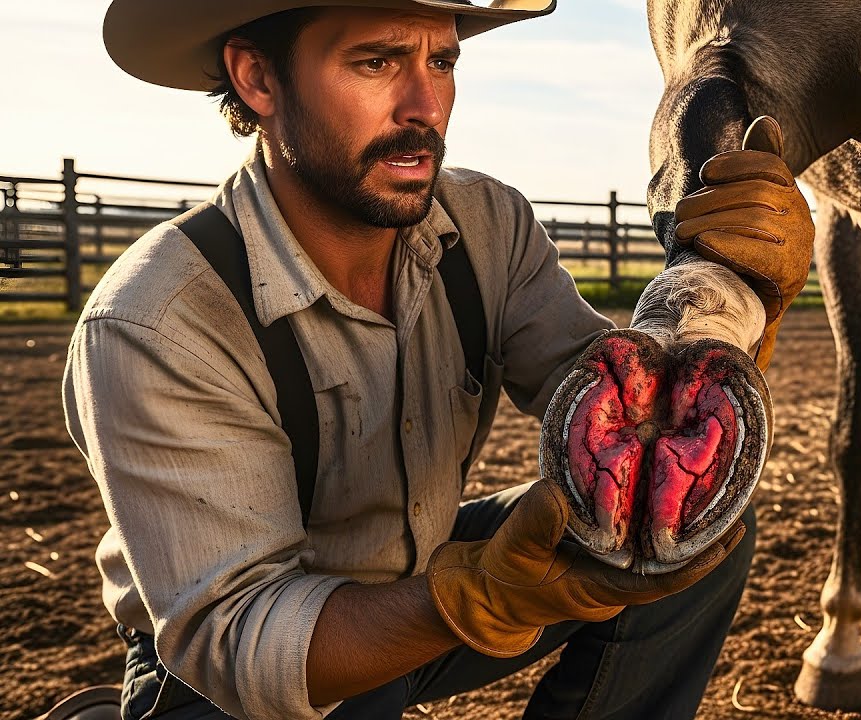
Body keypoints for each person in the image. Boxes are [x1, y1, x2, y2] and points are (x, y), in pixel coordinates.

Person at [62, 1, 816, 718]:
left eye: (443, 62)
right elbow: (243, 641)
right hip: (245, 667)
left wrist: (732, 297)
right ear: (258, 78)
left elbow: (620, 402)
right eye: (376, 62)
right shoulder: (159, 320)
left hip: (421, 572)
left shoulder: (487, 224)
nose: (425, 106)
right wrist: (481, 599)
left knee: (691, 532)